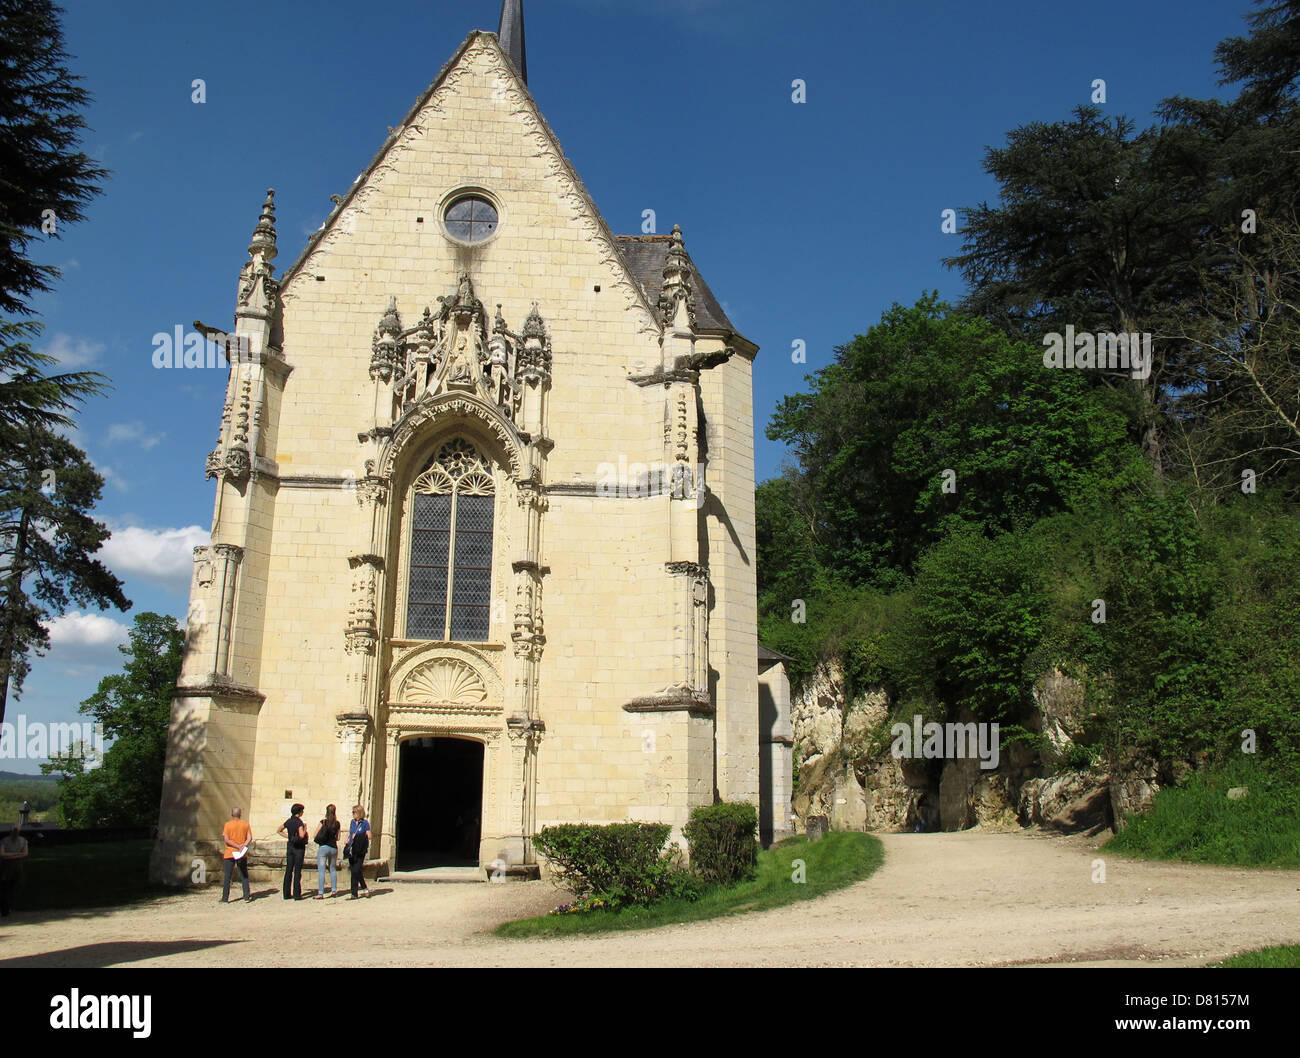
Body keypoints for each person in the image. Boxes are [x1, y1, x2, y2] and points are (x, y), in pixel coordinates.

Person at [221, 807, 253, 902]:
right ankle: (246, 896)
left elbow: (226, 839)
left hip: (230, 852)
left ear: (232, 814)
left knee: (227, 876)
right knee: (244, 875)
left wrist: (237, 846)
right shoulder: (245, 824)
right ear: (240, 814)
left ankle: (225, 898)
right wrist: (243, 845)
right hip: (241, 853)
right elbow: (249, 838)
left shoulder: (227, 825)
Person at [277, 802, 309, 900]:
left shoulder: (289, 821)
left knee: (289, 869)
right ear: (299, 812)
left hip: (290, 846)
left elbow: (279, 830)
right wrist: (305, 828)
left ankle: (286, 893)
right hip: (299, 847)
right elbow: (301, 835)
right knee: (297, 871)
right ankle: (297, 894)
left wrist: (289, 836)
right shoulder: (299, 822)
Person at [1, 825, 29, 917]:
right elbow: (24, 853)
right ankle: (8, 907)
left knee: (5, 888)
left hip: (7, 866)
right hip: (17, 865)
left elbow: (3, 854)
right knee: (12, 888)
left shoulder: (4, 840)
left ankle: (5, 909)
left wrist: (10, 855)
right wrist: (17, 854)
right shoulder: (23, 840)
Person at [314, 804, 341, 899]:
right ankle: (334, 890)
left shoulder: (323, 822)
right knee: (332, 869)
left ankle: (320, 893)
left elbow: (315, 835)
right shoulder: (337, 823)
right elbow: (338, 838)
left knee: (321, 870)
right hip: (333, 848)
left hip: (323, 847)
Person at [346, 805, 371, 899]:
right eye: (353, 812)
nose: (353, 814)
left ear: (359, 813)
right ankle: (354, 893)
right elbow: (350, 833)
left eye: (354, 812)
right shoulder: (352, 822)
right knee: (354, 870)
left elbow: (369, 836)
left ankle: (364, 887)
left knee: (356, 869)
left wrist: (358, 836)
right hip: (352, 848)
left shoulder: (365, 823)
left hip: (360, 849)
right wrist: (347, 839)